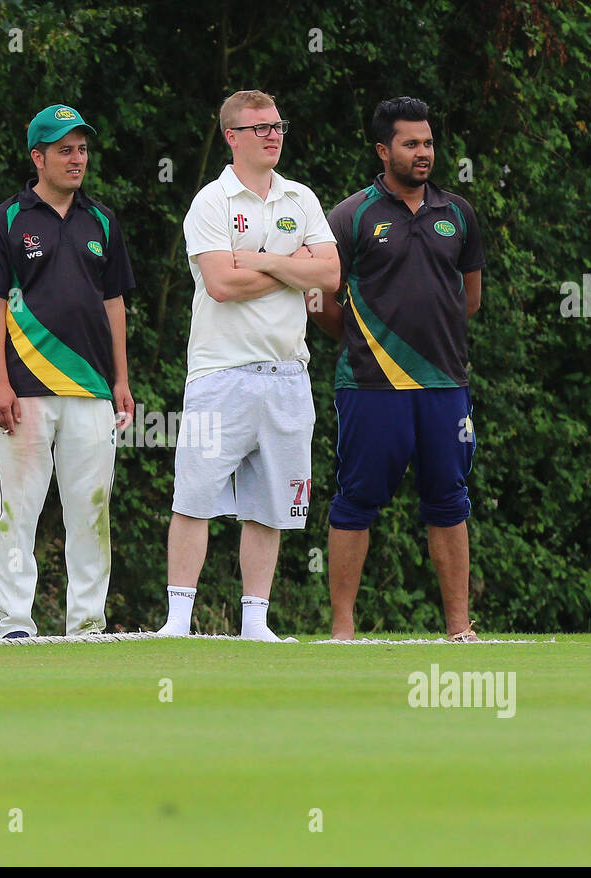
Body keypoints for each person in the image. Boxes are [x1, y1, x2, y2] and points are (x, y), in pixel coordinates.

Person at [157, 89, 338, 642]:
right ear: (232, 137)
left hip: (287, 374)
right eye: (260, 128)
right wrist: (291, 267)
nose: (273, 135)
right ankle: (178, 622)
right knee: (195, 496)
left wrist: (259, 260)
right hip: (221, 373)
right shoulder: (211, 203)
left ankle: (255, 622)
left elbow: (329, 275)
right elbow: (221, 283)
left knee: (272, 505)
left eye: (278, 125)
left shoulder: (300, 198)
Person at [312, 96, 485, 642]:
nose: (423, 153)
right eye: (410, 143)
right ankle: (343, 630)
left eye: (428, 142)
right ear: (383, 150)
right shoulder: (350, 214)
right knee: (356, 501)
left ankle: (459, 629)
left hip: (444, 386)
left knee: (449, 502)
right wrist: (366, 342)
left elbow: (470, 299)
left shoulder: (457, 212)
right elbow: (320, 300)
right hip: (370, 386)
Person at [0, 104, 136, 638]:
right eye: (64, 150)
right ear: (37, 157)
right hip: (24, 390)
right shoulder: (7, 221)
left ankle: (86, 625)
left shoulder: (102, 220)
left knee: (92, 513)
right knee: (16, 514)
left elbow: (114, 304)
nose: (76, 159)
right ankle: (16, 623)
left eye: (82, 148)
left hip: (91, 391)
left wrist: (121, 382)